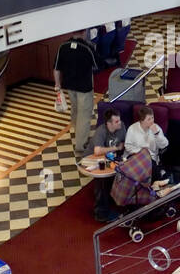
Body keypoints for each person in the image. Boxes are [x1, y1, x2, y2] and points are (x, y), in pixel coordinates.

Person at [54, 29, 99, 158]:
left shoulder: (63, 46)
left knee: (75, 111)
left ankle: (77, 133)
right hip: (84, 87)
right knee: (84, 116)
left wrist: (57, 84)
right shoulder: (87, 48)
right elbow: (97, 65)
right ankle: (80, 147)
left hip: (69, 86)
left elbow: (56, 68)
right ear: (84, 32)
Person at [89, 109, 128, 220]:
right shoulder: (101, 131)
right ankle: (101, 213)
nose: (119, 123)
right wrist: (115, 148)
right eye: (116, 122)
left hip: (110, 159)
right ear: (109, 123)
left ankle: (112, 200)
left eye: (119, 120)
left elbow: (125, 142)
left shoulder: (122, 127)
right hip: (94, 160)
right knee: (102, 181)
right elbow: (97, 151)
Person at [125, 105, 171, 180]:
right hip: (136, 156)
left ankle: (155, 184)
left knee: (151, 168)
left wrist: (157, 134)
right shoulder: (132, 128)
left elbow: (164, 145)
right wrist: (142, 153)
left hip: (151, 159)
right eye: (149, 119)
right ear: (142, 121)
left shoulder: (156, 127)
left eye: (152, 117)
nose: (152, 121)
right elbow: (128, 146)